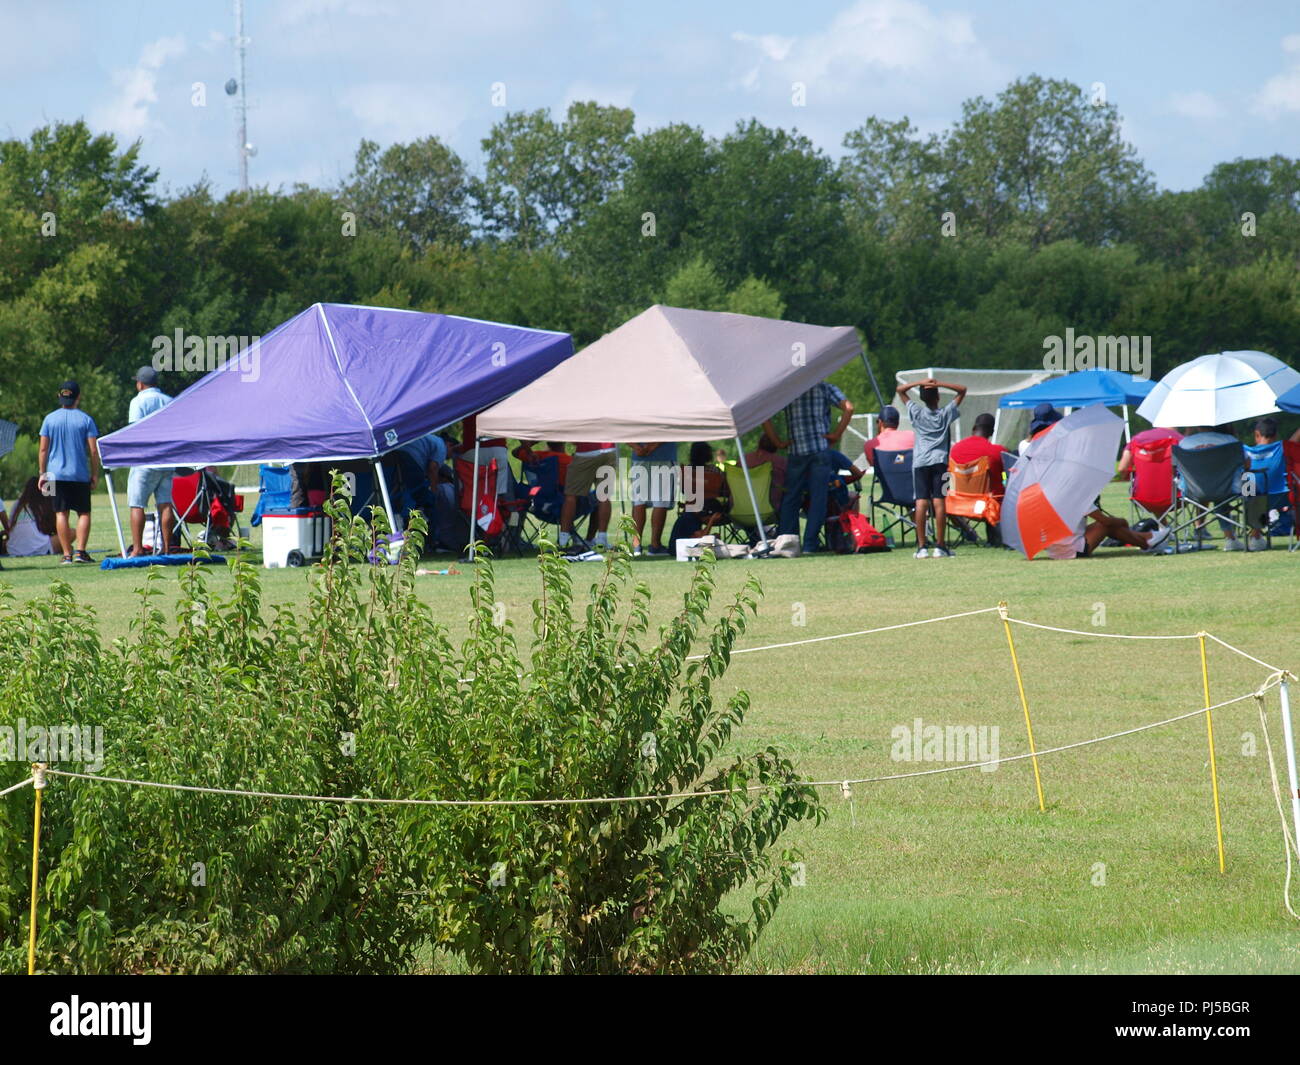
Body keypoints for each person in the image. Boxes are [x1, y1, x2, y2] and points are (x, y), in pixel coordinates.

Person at [763, 382, 854, 554]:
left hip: (796, 450)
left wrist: (777, 442)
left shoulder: (787, 388)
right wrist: (836, 434)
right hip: (819, 449)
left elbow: (764, 414)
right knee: (818, 499)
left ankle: (789, 543)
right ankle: (810, 545)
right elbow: (849, 408)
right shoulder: (825, 387)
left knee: (791, 498)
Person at [896, 377, 966, 558]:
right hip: (941, 462)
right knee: (939, 500)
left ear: (922, 398)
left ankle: (922, 547)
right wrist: (939, 384)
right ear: (938, 397)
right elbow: (962, 390)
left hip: (920, 463)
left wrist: (920, 383)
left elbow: (900, 390)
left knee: (921, 501)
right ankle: (940, 546)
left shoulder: (917, 412)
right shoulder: (945, 413)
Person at [38, 380, 100, 564]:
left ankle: (67, 555)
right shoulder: (86, 419)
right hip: (79, 474)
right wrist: (95, 474)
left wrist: (43, 474)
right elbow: (94, 450)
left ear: (60, 397)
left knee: (61, 513)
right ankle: (81, 552)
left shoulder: (49, 419)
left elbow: (43, 450)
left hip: (55, 475)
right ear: (78, 397)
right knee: (84, 513)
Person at [126, 366, 176, 556]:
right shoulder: (169, 401)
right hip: (166, 459)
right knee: (165, 504)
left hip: (145, 460)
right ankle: (166, 547)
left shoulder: (137, 402)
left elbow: (135, 431)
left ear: (140, 384)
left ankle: (138, 548)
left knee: (137, 504)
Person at [560, 441, 615, 550]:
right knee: (603, 496)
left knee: (571, 496)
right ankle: (602, 539)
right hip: (609, 449)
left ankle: (563, 540)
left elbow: (572, 439)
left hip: (586, 451)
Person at [1243, 417, 1288, 550]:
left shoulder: (1244, 450)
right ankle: (1256, 535)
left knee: (1248, 479)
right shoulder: (1282, 447)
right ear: (1276, 435)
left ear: (1256, 434)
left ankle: (1255, 535)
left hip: (1251, 498)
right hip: (1281, 497)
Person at [629, 441, 678, 556]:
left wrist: (636, 446)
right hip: (664, 455)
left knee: (638, 501)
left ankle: (636, 546)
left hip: (639, 456)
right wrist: (653, 446)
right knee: (660, 501)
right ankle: (655, 546)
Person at [950, 412, 1007, 494]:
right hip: (989, 504)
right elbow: (1005, 475)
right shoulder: (998, 452)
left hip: (958, 502)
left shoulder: (955, 449)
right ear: (992, 432)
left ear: (973, 428)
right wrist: (1004, 477)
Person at [3, 477, 59, 557]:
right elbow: (54, 527)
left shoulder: (17, 505)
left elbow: (9, 528)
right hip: (39, 548)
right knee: (71, 533)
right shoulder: (44, 504)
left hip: (13, 550)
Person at [742, 432, 787, 511]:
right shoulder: (780, 461)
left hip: (741, 509)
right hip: (770, 509)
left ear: (759, 443)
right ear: (776, 444)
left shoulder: (743, 460)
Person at [861, 405, 915, 471]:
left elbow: (873, 464)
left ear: (880, 423)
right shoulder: (912, 436)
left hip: (886, 480)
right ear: (898, 423)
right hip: (910, 479)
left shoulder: (869, 445)